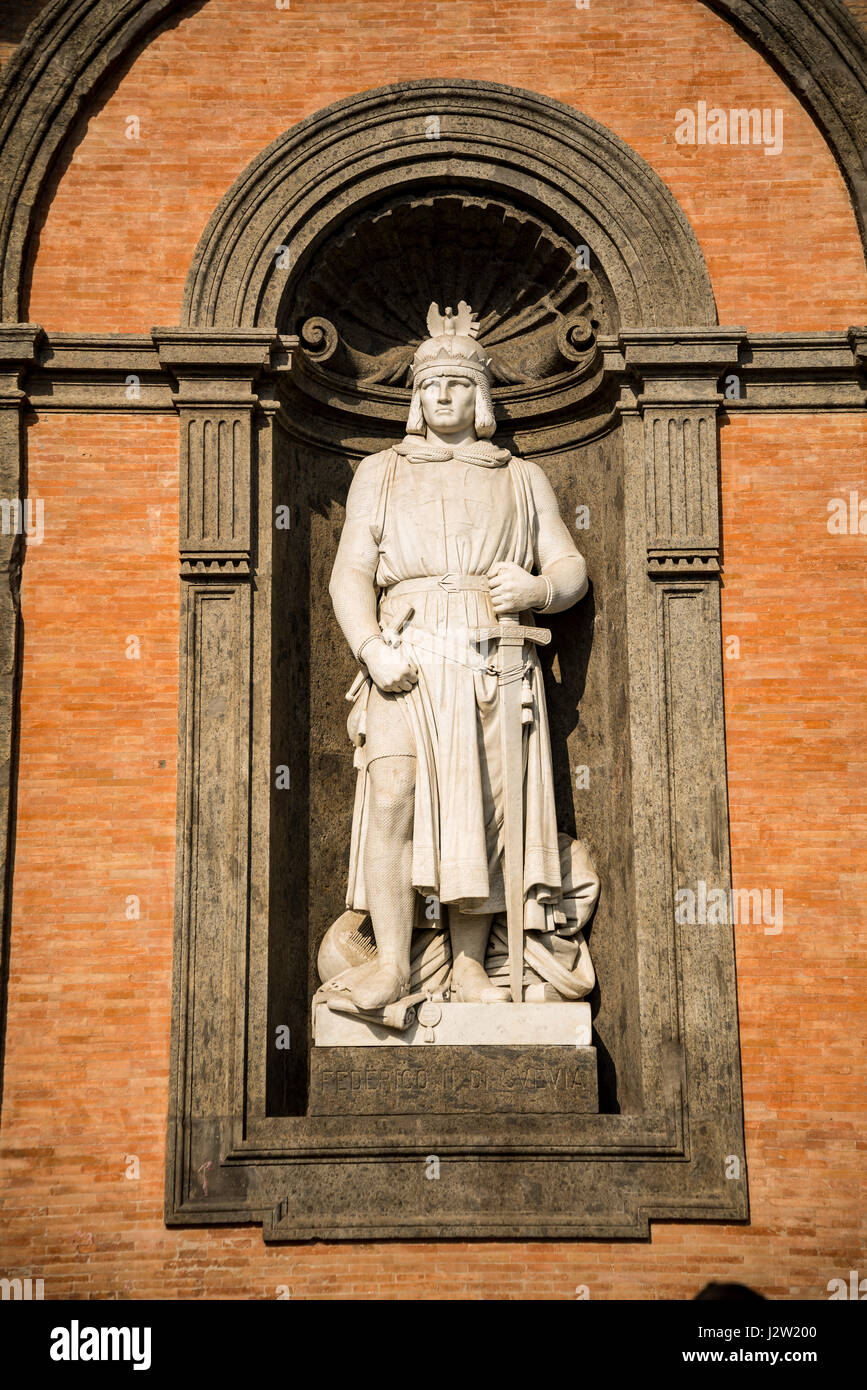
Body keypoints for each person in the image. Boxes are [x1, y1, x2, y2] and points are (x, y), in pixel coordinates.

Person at [329, 302, 588, 1010]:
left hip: (491, 655)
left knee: (488, 810)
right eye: (430, 385)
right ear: (414, 398)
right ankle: (389, 964)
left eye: (457, 384)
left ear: (480, 397)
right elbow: (349, 572)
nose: (443, 396)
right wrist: (370, 648)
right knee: (391, 797)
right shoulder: (379, 472)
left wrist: (539, 587)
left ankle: (470, 966)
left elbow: (571, 566)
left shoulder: (519, 477)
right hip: (404, 653)